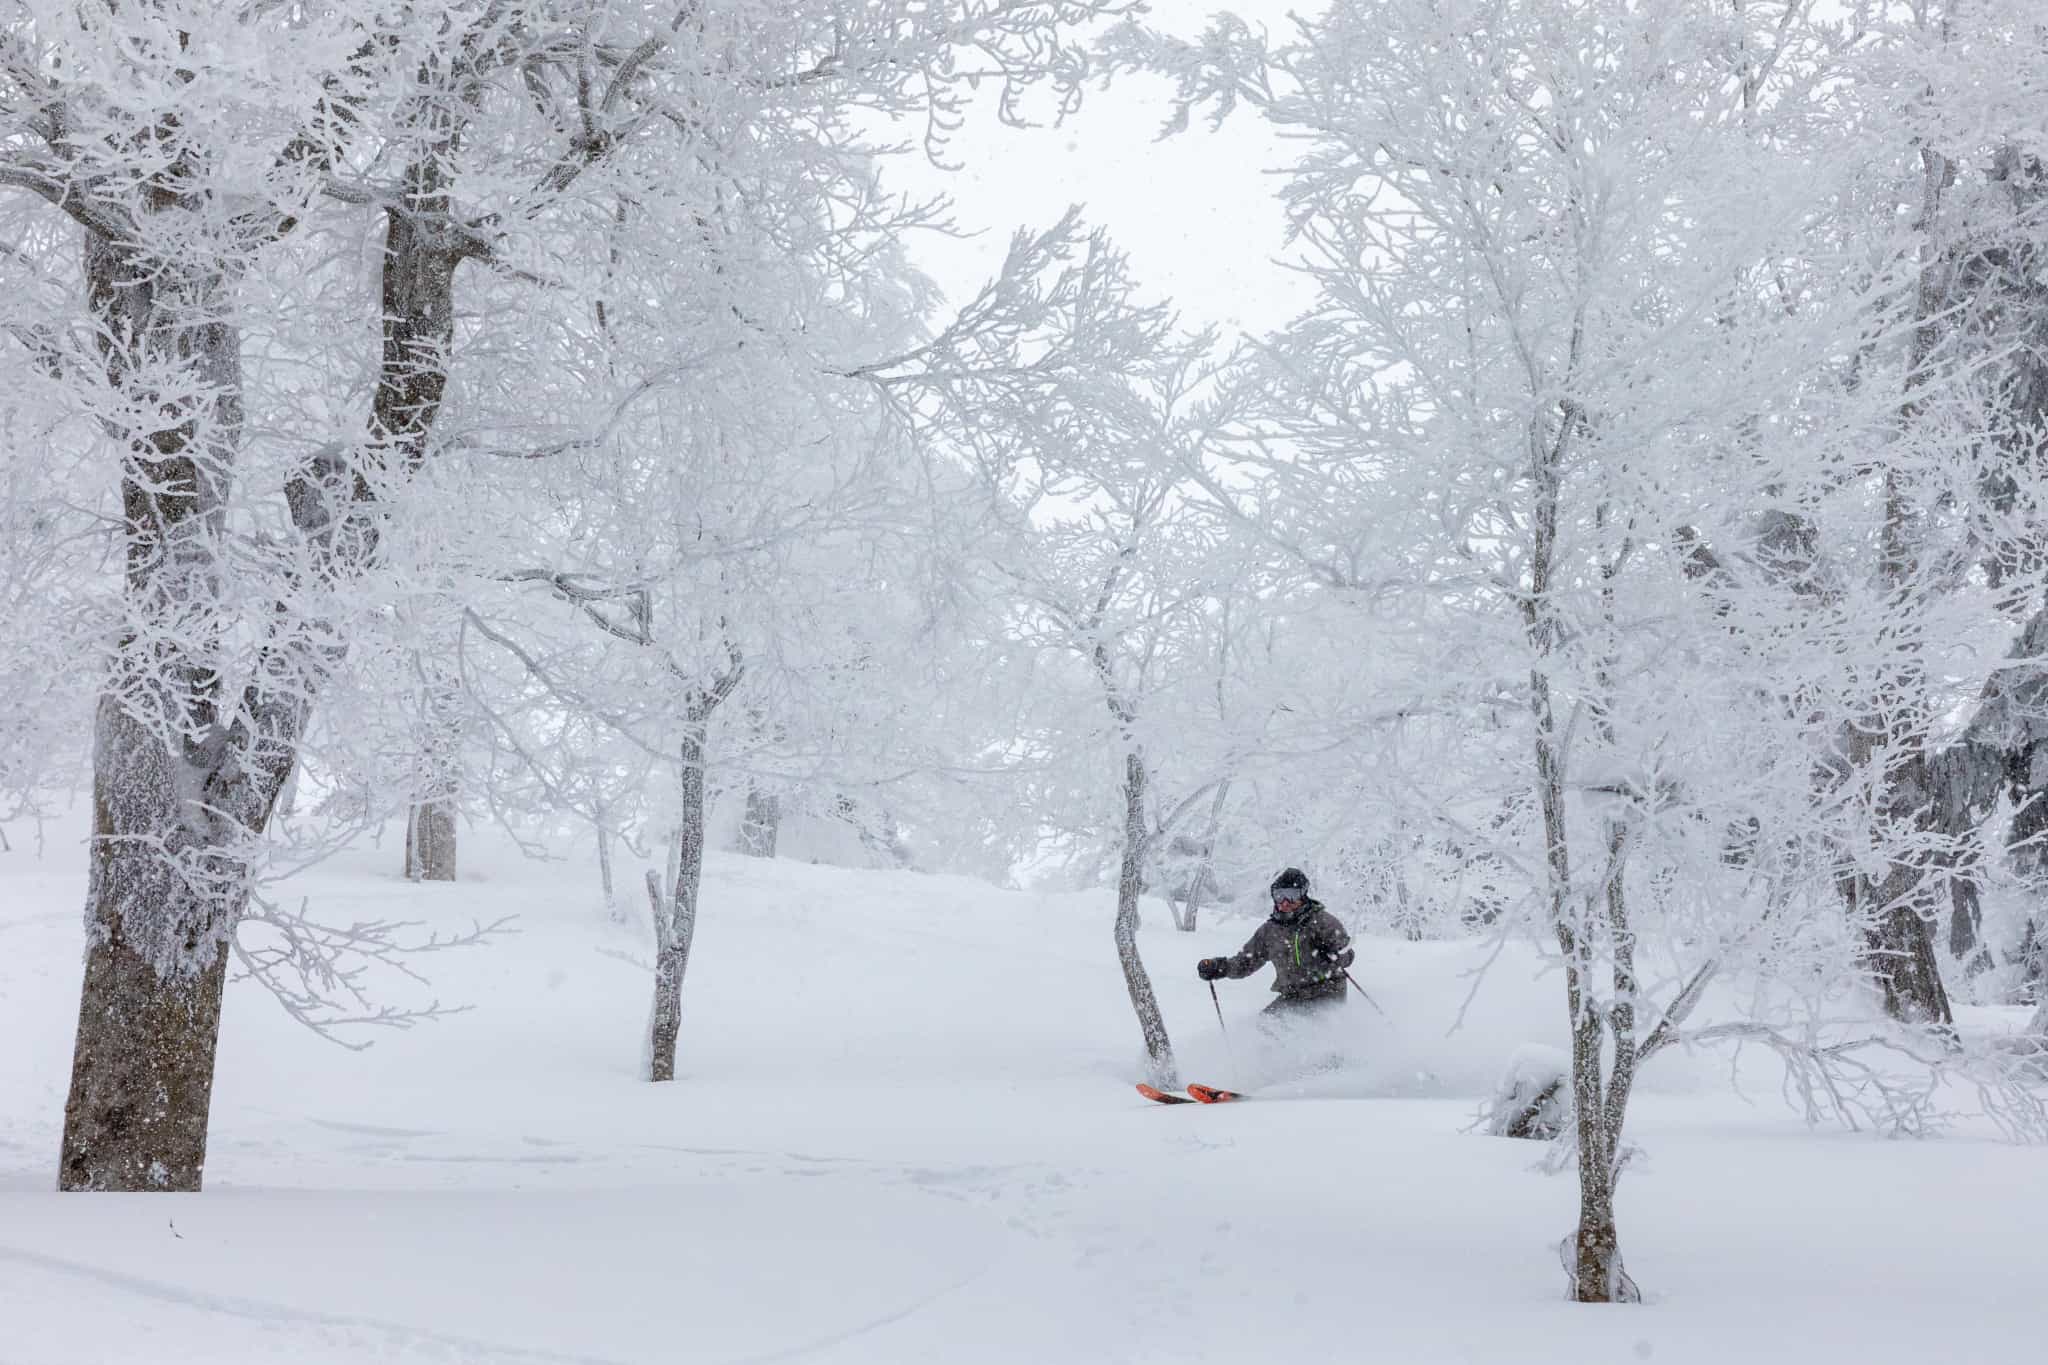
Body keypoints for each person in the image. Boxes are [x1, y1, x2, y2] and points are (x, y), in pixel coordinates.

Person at [1197, 868, 1355, 1017]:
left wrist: (1333, 953)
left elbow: (1347, 955)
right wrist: (1220, 967)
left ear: (1303, 894)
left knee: (1303, 1033)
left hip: (1326, 992)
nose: (1285, 902)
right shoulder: (1270, 931)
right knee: (1266, 1025)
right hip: (1293, 995)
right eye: (1279, 895)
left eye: (1291, 895)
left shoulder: (1322, 922)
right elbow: (1246, 961)